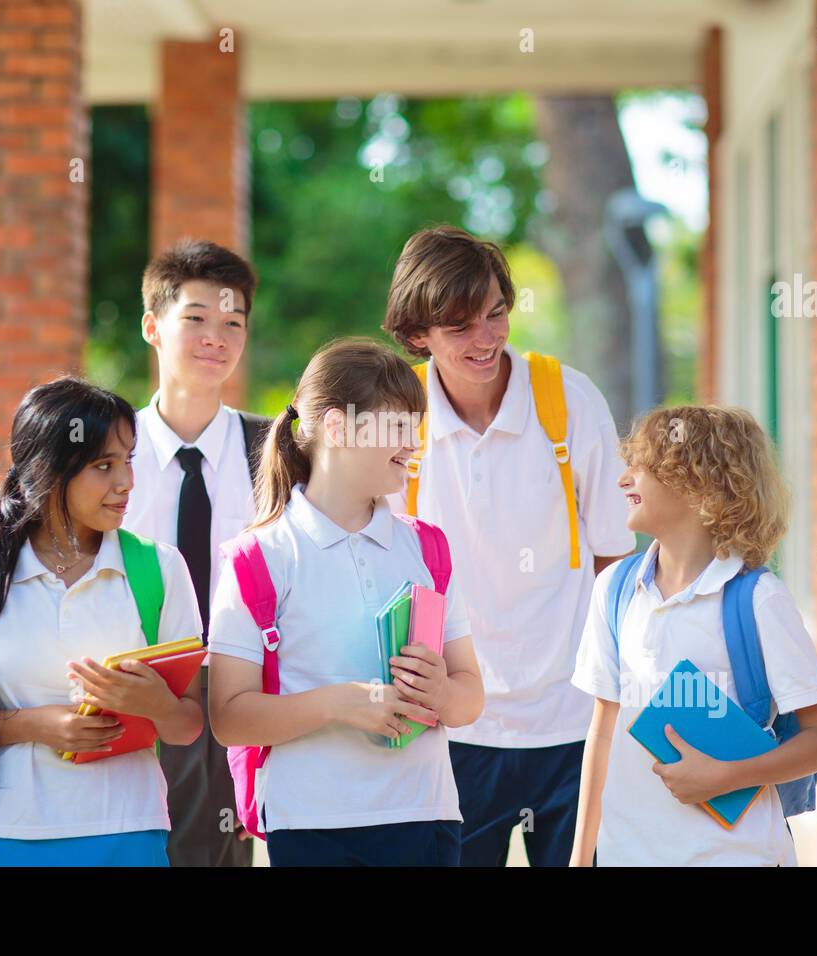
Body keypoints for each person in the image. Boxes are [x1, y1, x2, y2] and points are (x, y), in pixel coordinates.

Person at [382, 225, 634, 866]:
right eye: (461, 326)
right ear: (418, 333)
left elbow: (614, 562)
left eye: (496, 314)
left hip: (575, 721)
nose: (487, 338)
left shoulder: (570, 401)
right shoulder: (396, 420)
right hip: (451, 727)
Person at [207, 338, 485, 866]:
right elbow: (230, 718)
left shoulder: (427, 547)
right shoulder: (259, 557)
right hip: (311, 825)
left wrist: (442, 691)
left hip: (426, 816)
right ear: (337, 428)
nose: (415, 443)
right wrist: (340, 705)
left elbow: (470, 699)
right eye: (399, 427)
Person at [0, 377, 204, 866]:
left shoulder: (161, 569)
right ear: (49, 472)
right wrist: (32, 726)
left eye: (128, 461)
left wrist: (154, 704)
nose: (126, 482)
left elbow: (188, 727)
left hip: (126, 833)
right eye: (103, 466)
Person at [569, 404, 817, 866]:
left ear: (699, 484)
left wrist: (727, 776)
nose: (623, 480)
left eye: (643, 466)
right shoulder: (615, 589)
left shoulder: (758, 600)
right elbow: (603, 733)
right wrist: (581, 858)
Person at [122, 239, 269, 866]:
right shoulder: (108, 451)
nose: (217, 337)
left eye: (233, 322)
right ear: (153, 326)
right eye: (197, 318)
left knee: (225, 855)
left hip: (242, 687)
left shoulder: (274, 451)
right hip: (137, 681)